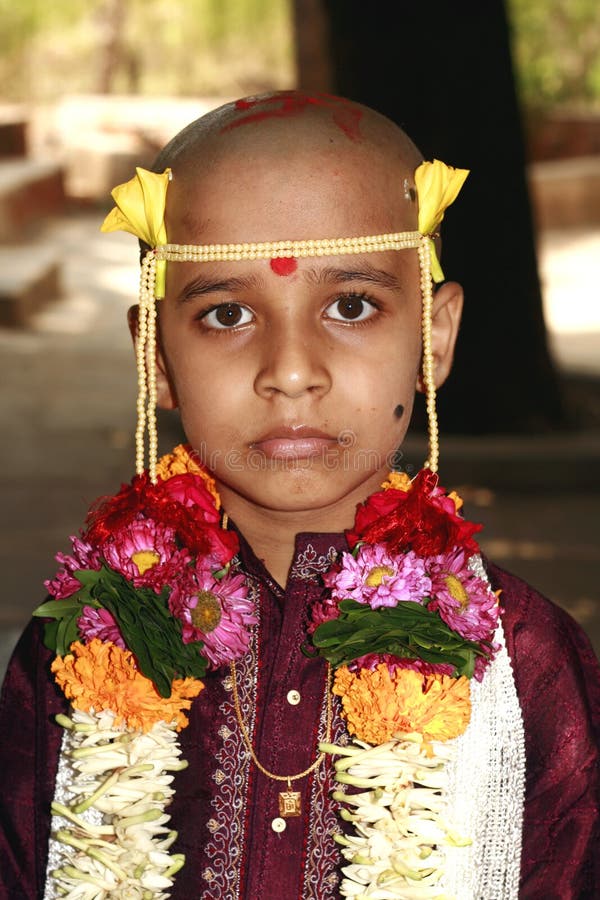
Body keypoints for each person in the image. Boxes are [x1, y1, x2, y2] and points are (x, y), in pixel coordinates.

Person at [0, 91, 598, 900]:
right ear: (158, 360)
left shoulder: (527, 661)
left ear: (435, 335)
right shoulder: (81, 651)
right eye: (228, 312)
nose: (289, 370)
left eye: (351, 306)